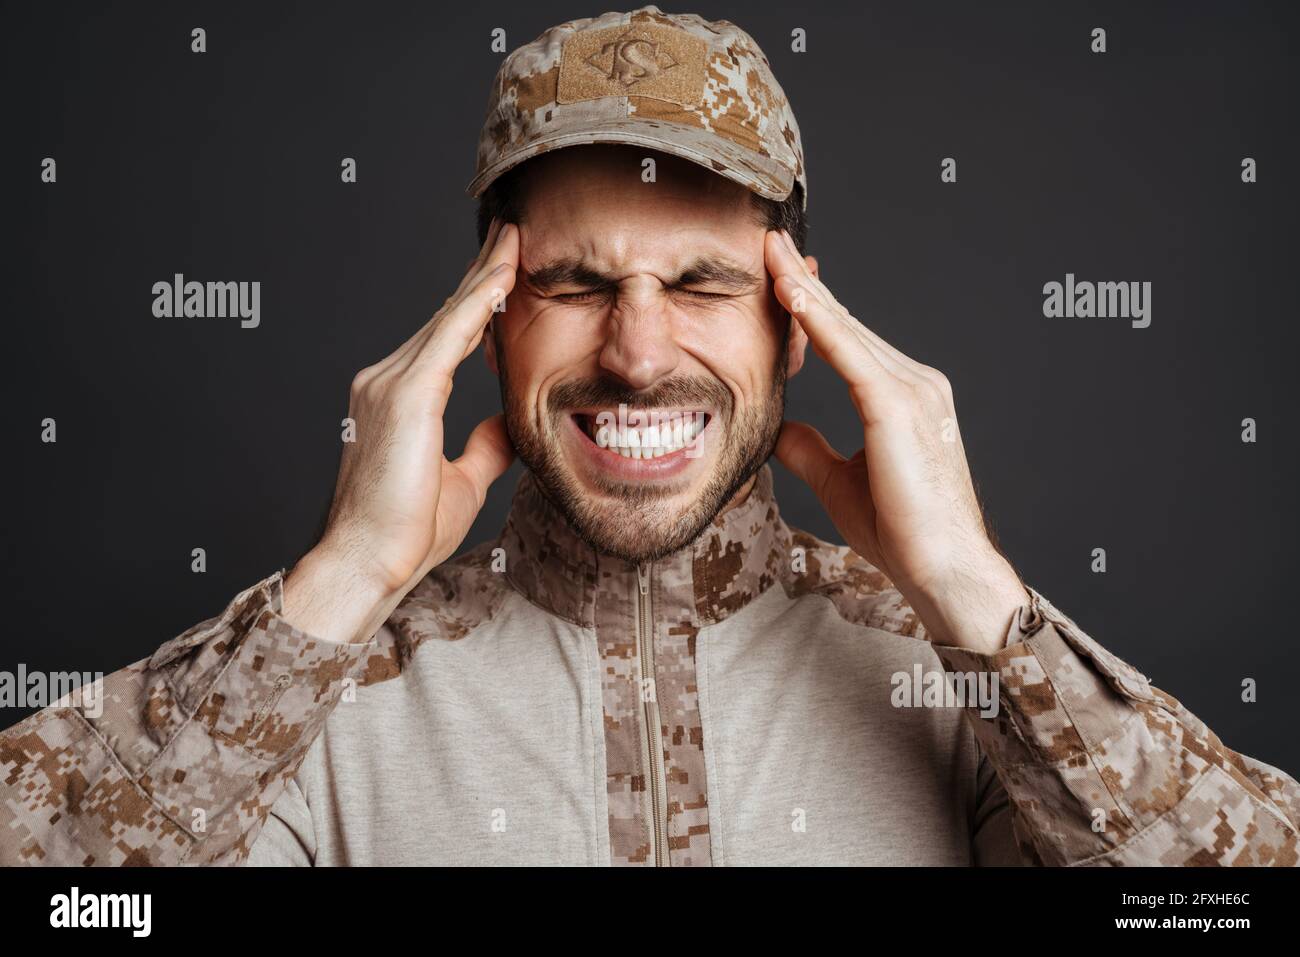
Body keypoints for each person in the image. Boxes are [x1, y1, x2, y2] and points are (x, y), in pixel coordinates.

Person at [2, 6, 1296, 867]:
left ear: (799, 322)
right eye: (575, 285)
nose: (636, 350)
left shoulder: (957, 689)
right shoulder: (322, 695)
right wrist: (343, 579)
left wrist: (973, 592)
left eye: (701, 284)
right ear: (486, 327)